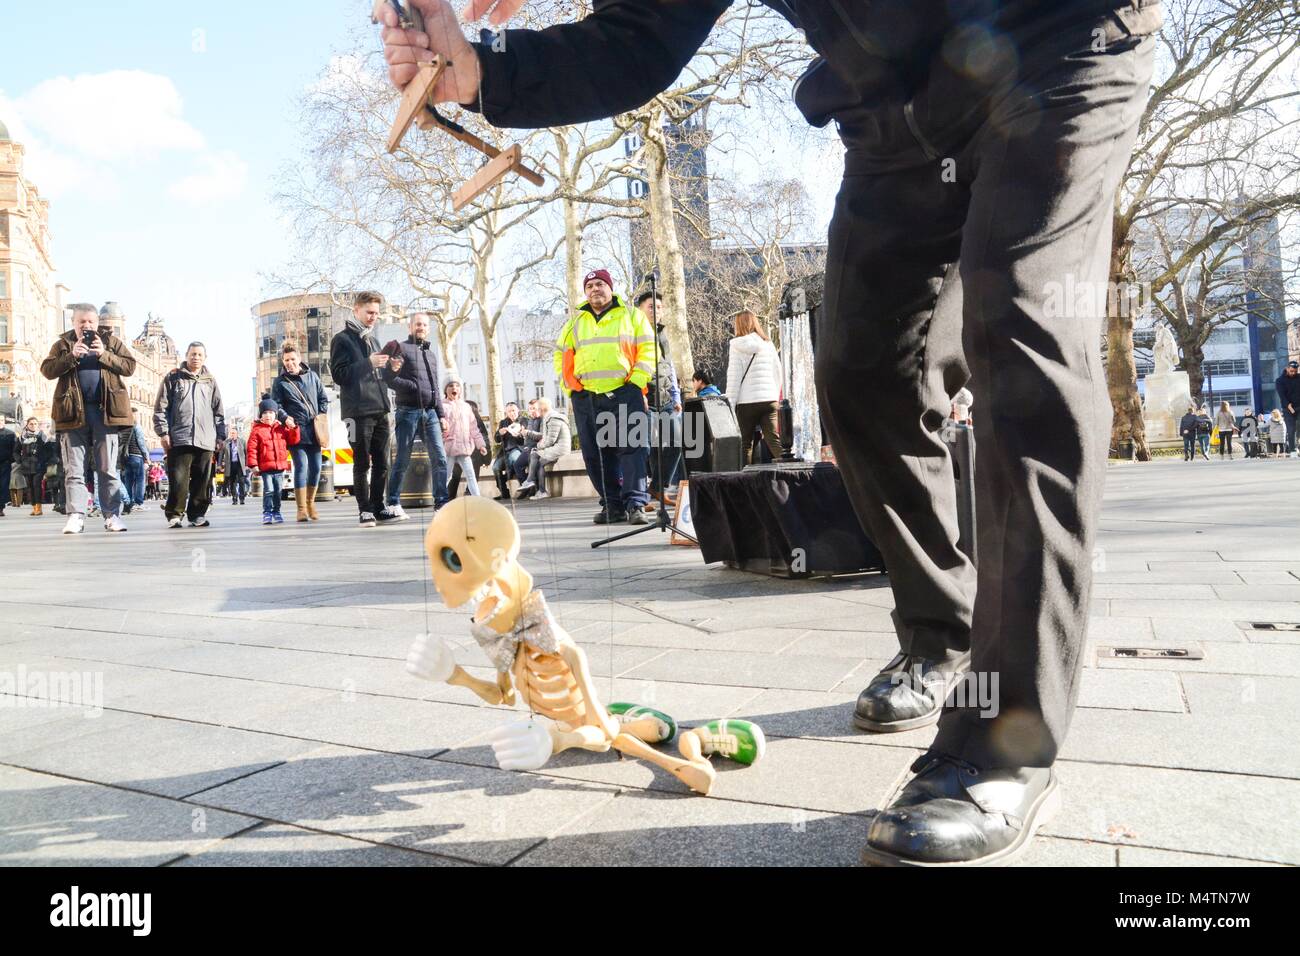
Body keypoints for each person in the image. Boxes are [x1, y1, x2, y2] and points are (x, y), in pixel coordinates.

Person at [382, 0, 1162, 866]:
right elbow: (639, 36)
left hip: (1055, 44)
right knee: (862, 373)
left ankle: (1004, 741)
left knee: (1021, 336)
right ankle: (941, 637)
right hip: (893, 114)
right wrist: (486, 68)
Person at [553, 268, 655, 525]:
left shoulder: (632, 316)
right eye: (589, 287)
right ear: (585, 293)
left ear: (610, 287)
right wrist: (570, 386)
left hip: (625, 392)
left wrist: (636, 383)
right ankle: (613, 505)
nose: (595, 290)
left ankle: (635, 504)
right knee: (595, 454)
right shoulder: (574, 323)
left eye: (600, 284)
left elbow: (649, 350)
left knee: (632, 450)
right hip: (586, 397)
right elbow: (559, 355)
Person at [40, 302, 136, 534]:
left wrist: (104, 354)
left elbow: (129, 366)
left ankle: (112, 515)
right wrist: (71, 356)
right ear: (73, 323)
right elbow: (47, 370)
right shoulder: (63, 344)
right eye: (82, 321)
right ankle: (76, 515)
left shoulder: (111, 343)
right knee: (74, 469)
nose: (87, 326)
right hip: (72, 415)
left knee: (107, 468)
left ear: (97, 322)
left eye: (91, 321)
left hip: (106, 414)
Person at [330, 291, 401, 528]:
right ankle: (365, 510)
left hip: (380, 408)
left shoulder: (373, 340)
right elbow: (339, 375)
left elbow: (380, 376)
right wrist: (368, 363)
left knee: (382, 463)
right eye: (370, 312)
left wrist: (392, 368)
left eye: (377, 314)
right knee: (362, 462)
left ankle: (379, 507)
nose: (374, 317)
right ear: (356, 310)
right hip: (357, 412)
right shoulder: (342, 340)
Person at [381, 311, 451, 517]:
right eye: (417, 324)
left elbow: (435, 388)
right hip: (407, 412)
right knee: (402, 459)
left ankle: (441, 503)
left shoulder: (430, 354)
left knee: (440, 458)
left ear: (428, 329)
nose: (421, 327)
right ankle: (393, 503)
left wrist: (441, 415)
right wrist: (412, 387)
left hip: (430, 414)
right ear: (409, 327)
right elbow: (388, 378)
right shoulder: (401, 349)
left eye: (424, 325)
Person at [154, 342, 226, 529]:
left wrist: (220, 436)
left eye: (200, 354)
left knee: (202, 480)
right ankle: (175, 514)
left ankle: (197, 515)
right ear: (186, 355)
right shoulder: (173, 378)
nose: (196, 357)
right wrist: (163, 432)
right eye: (193, 354)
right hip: (180, 437)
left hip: (206, 438)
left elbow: (218, 411)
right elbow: (161, 407)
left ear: (205, 358)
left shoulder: (210, 380)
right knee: (179, 480)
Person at [272, 340, 331, 522]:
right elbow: (276, 405)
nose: (289, 363)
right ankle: (301, 509)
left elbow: (323, 397)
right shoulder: (280, 382)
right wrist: (285, 417)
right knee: (301, 466)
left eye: (292, 359)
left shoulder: (312, 376)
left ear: (299, 358)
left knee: (315, 468)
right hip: (295, 431)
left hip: (314, 430)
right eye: (286, 360)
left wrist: (321, 414)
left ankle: (311, 503)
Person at [638, 292, 683, 497]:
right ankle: (641, 493)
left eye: (659, 306)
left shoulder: (662, 333)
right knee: (646, 448)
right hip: (646, 398)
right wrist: (640, 393)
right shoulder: (635, 332)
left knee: (675, 443)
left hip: (666, 400)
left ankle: (658, 487)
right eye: (650, 306)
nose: (656, 310)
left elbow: (669, 366)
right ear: (640, 309)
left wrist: (676, 396)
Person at [724, 310, 782, 466]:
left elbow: (734, 377)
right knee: (773, 440)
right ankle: (791, 473)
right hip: (769, 399)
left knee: (746, 444)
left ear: (739, 325)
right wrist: (774, 395)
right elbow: (778, 372)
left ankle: (745, 480)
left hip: (746, 402)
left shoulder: (736, 345)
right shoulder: (768, 344)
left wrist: (730, 404)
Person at [247, 399, 300, 525]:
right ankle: (267, 512)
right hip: (265, 468)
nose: (268, 416)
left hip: (280, 466)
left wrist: (293, 428)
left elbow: (293, 440)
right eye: (265, 413)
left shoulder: (281, 428)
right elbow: (251, 449)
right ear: (261, 415)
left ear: (275, 414)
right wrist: (253, 465)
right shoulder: (257, 430)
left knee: (278, 491)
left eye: (271, 413)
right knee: (269, 490)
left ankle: (277, 511)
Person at [514, 396, 572, 500]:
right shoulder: (548, 418)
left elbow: (550, 440)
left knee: (535, 454)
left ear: (542, 409)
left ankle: (533, 483)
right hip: (555, 446)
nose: (536, 410)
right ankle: (539, 489)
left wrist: (538, 446)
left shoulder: (553, 418)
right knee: (537, 458)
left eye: (537, 408)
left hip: (560, 448)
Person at [441, 380, 487, 496]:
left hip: (464, 448)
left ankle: (478, 499)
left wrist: (480, 445)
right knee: (446, 475)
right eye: (450, 386)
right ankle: (440, 499)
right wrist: (444, 435)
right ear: (445, 389)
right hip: (449, 449)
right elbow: (438, 427)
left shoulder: (466, 407)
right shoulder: (442, 406)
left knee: (471, 475)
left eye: (457, 386)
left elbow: (474, 428)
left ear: (460, 390)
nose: (454, 388)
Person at [491, 402, 526, 500]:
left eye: (514, 410)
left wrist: (519, 435)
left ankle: (524, 487)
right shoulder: (503, 422)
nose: (512, 413)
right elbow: (497, 439)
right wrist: (500, 434)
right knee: (495, 468)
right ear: (506, 413)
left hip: (518, 448)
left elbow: (526, 439)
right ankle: (504, 492)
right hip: (505, 451)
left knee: (514, 459)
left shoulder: (524, 421)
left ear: (518, 410)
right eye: (509, 411)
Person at [118, 420, 149, 514]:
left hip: (126, 457)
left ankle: (129, 502)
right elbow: (141, 442)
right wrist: (146, 456)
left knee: (128, 480)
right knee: (140, 480)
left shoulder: (122, 427)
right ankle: (139, 503)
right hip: (137, 455)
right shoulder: (136, 426)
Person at [16, 418, 45, 516]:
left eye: (35, 424)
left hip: (38, 465)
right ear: (27, 425)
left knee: (37, 486)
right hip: (26, 466)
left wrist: (44, 460)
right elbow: (16, 451)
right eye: (31, 424)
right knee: (29, 487)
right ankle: (33, 506)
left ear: (38, 425)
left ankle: (39, 507)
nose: (33, 426)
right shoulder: (22, 437)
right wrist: (19, 460)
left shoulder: (41, 435)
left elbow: (48, 449)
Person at [218, 428, 249, 506]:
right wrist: (219, 465)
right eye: (231, 433)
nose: (232, 435)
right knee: (232, 482)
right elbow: (221, 454)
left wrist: (247, 464)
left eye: (234, 433)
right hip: (230, 465)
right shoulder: (225, 443)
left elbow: (247, 453)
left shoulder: (242, 442)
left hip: (240, 464)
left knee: (242, 481)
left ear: (237, 434)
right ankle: (234, 498)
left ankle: (242, 498)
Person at [1276, 361, 1300, 456]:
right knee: (1291, 429)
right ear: (1287, 368)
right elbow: (1282, 396)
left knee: (1298, 426)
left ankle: (1297, 444)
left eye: (1295, 371)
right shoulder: (1280, 381)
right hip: (1288, 408)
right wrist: (1289, 406)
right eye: (1291, 371)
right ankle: (1293, 449)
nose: (1293, 373)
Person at [0, 414, 15, 517]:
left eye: (1, 420)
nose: (0, 421)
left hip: (4, 463)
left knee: (3, 486)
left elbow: (14, 449)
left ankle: (0, 507)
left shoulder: (10, 434)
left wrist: (10, 460)